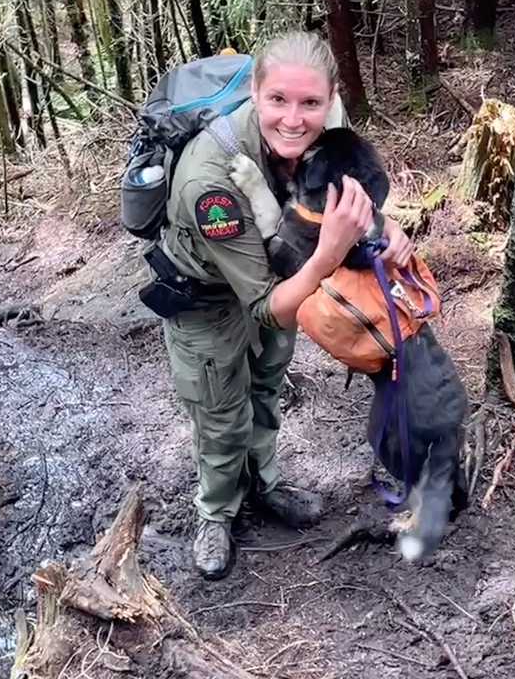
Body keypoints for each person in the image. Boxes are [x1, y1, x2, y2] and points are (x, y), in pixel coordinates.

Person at [161, 32, 412, 580]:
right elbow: (265, 308)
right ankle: (217, 511)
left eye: (310, 104)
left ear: (330, 98)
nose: (295, 120)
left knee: (266, 385)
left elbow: (347, 200)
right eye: (278, 100)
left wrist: (387, 229)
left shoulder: (329, 125)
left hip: (286, 267)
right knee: (222, 413)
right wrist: (327, 255)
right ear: (255, 92)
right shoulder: (211, 180)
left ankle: (266, 485)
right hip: (210, 296)